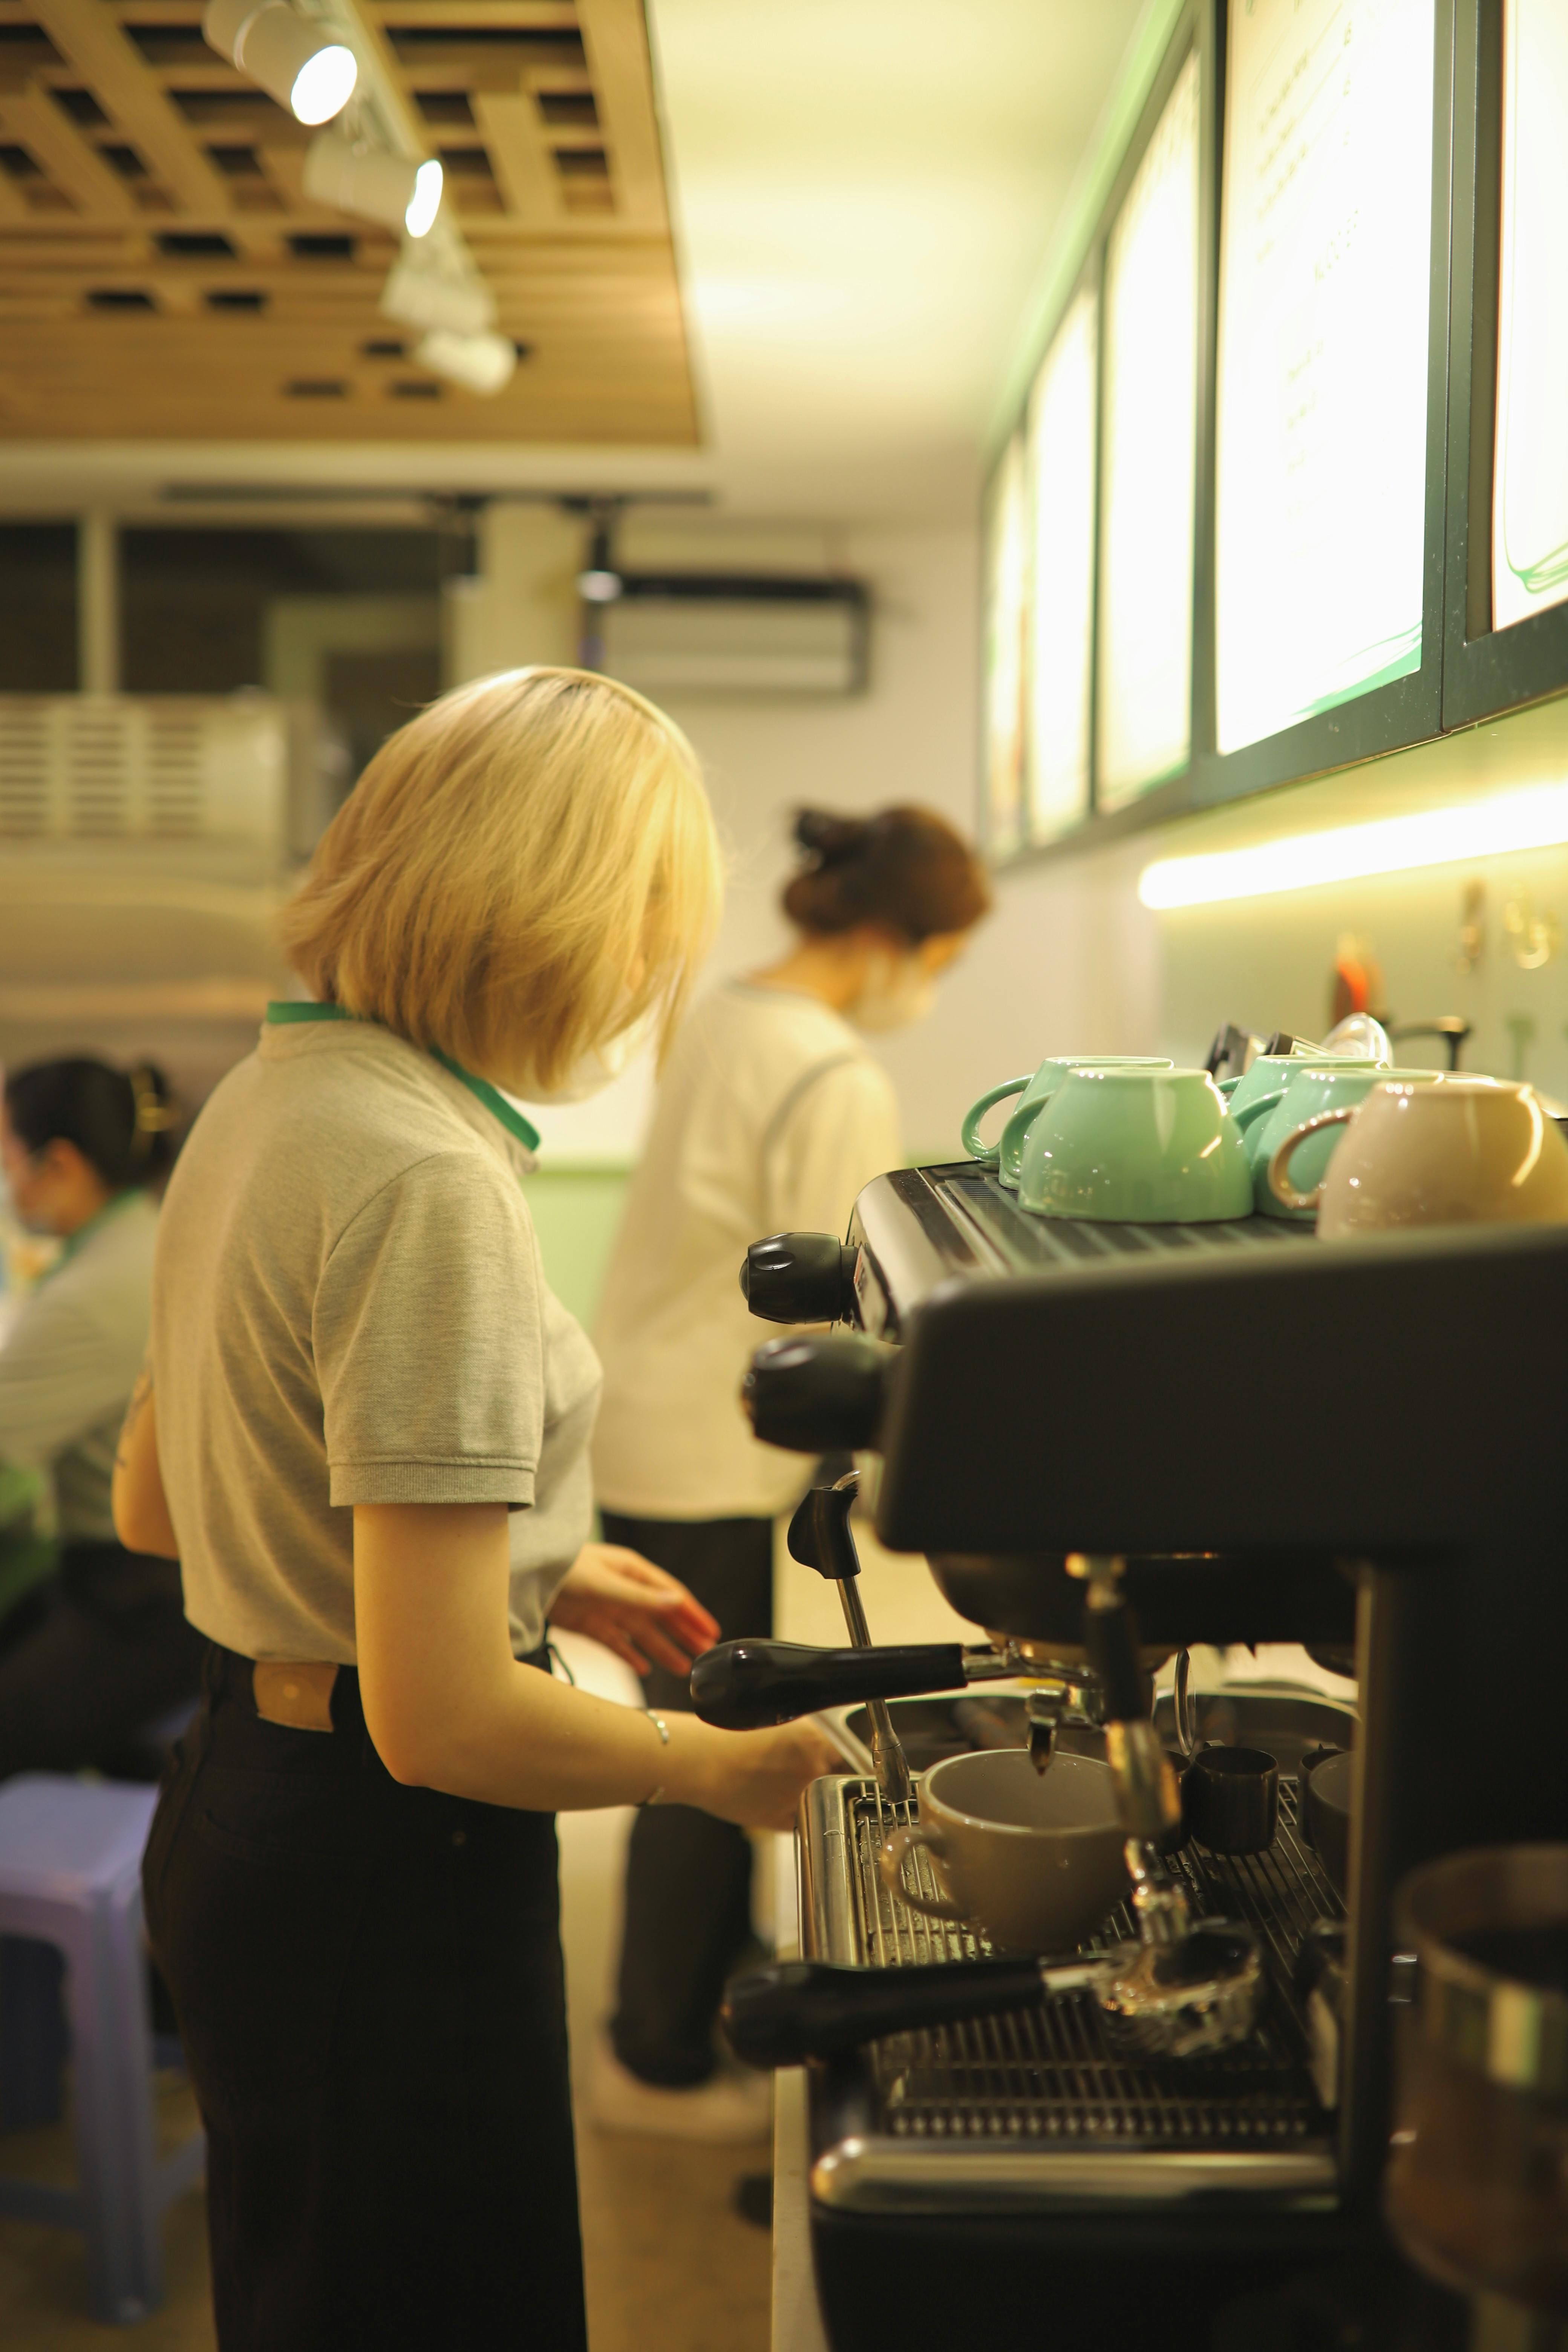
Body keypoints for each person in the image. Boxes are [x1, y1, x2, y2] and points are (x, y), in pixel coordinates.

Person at [112, 668, 836, 2352]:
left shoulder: (270, 1095)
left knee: (314, 2297)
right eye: (649, 924)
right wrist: (714, 1773)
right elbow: (436, 1721)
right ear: (561, 918)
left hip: (236, 1803)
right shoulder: (426, 1175)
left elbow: (173, 1504)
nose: (649, 973)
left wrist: (540, 1563)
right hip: (384, 1863)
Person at [589, 804, 991, 2135]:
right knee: (708, 1751)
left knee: (695, 1722)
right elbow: (835, 1306)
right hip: (708, 1439)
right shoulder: (831, 1072)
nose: (930, 988)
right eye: (938, 958)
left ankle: (688, 1995)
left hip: (645, 1409)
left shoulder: (731, 1009)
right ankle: (652, 2057)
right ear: (891, 938)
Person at [0, 1055, 201, 1778]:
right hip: (165, 1587)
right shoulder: (143, 1240)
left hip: (138, 1604)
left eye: (10, 1157)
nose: (7, 1180)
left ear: (58, 1164)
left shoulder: (92, 1292)